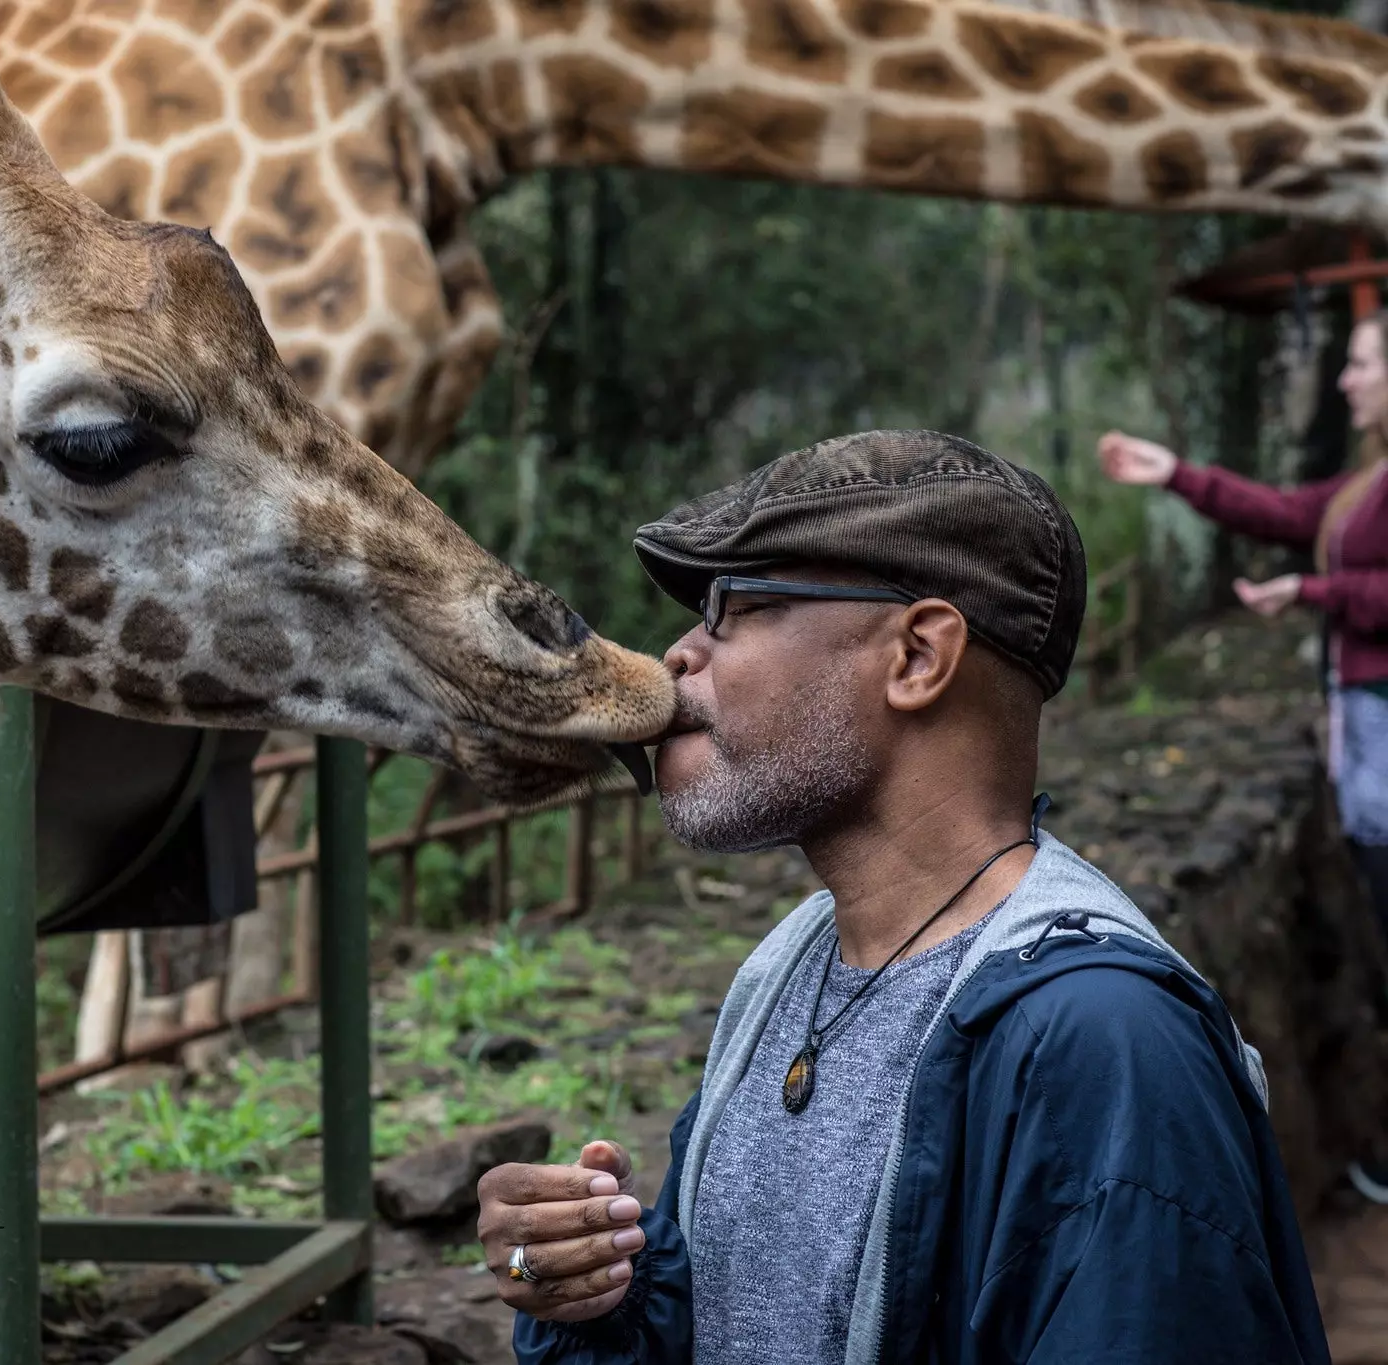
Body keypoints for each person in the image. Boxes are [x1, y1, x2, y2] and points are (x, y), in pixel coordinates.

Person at [478, 430, 1331, 1365]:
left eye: (734, 606)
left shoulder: (1103, 1045)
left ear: (919, 656)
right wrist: (590, 1294)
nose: (678, 656)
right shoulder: (789, 966)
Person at [1098, 308, 1388, 1204]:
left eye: (1364, 362)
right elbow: (1284, 511)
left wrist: (1312, 589)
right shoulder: (1364, 483)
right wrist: (1178, 474)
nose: (1347, 380)